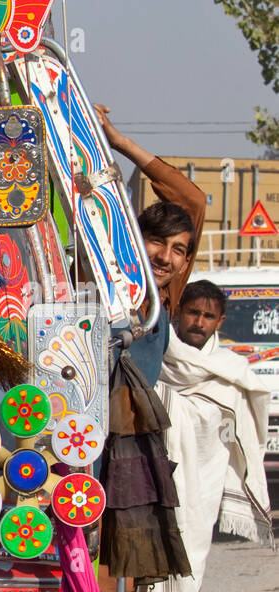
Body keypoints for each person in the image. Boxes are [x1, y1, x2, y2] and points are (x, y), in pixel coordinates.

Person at [141, 279, 271, 592]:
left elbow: (246, 442)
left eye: (207, 316)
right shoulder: (148, 357)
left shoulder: (230, 372)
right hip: (139, 492)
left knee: (183, 591)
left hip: (194, 503)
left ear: (219, 322)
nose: (198, 322)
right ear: (177, 313)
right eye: (191, 312)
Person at [97, 105, 207, 385]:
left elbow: (193, 201)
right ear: (135, 239)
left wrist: (120, 141)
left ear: (185, 263)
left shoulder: (168, 292)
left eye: (178, 250)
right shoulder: (108, 277)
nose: (165, 258)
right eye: (156, 242)